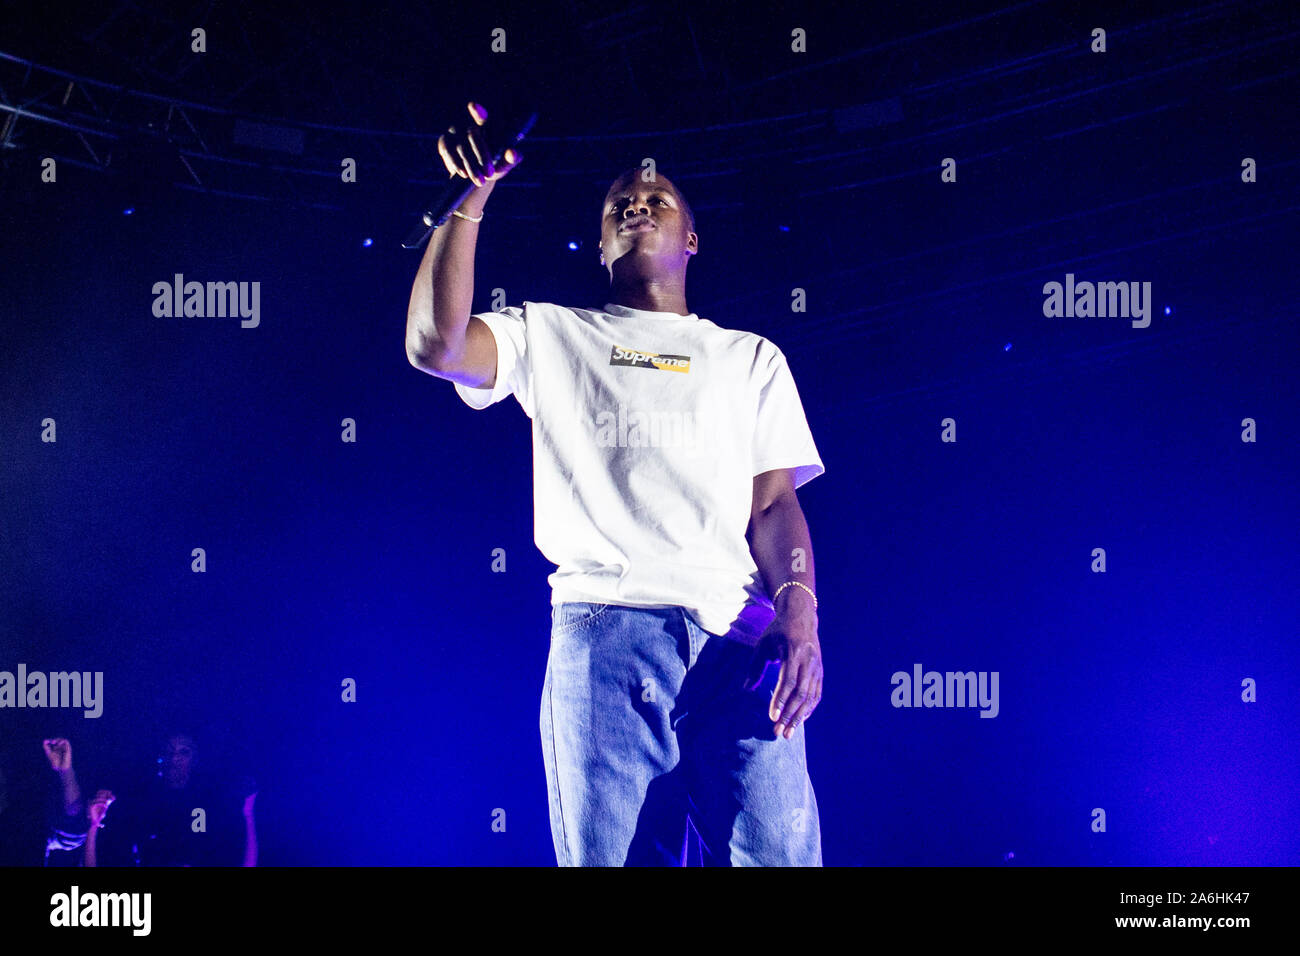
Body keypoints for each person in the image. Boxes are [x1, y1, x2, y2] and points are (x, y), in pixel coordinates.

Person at [406, 102, 825, 866]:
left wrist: (800, 614)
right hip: (606, 637)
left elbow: (774, 504)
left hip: (741, 646)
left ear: (690, 240)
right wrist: (473, 191)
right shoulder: (549, 332)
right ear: (601, 244)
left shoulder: (751, 357)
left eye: (657, 201)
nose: (637, 204)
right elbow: (436, 345)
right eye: (619, 206)